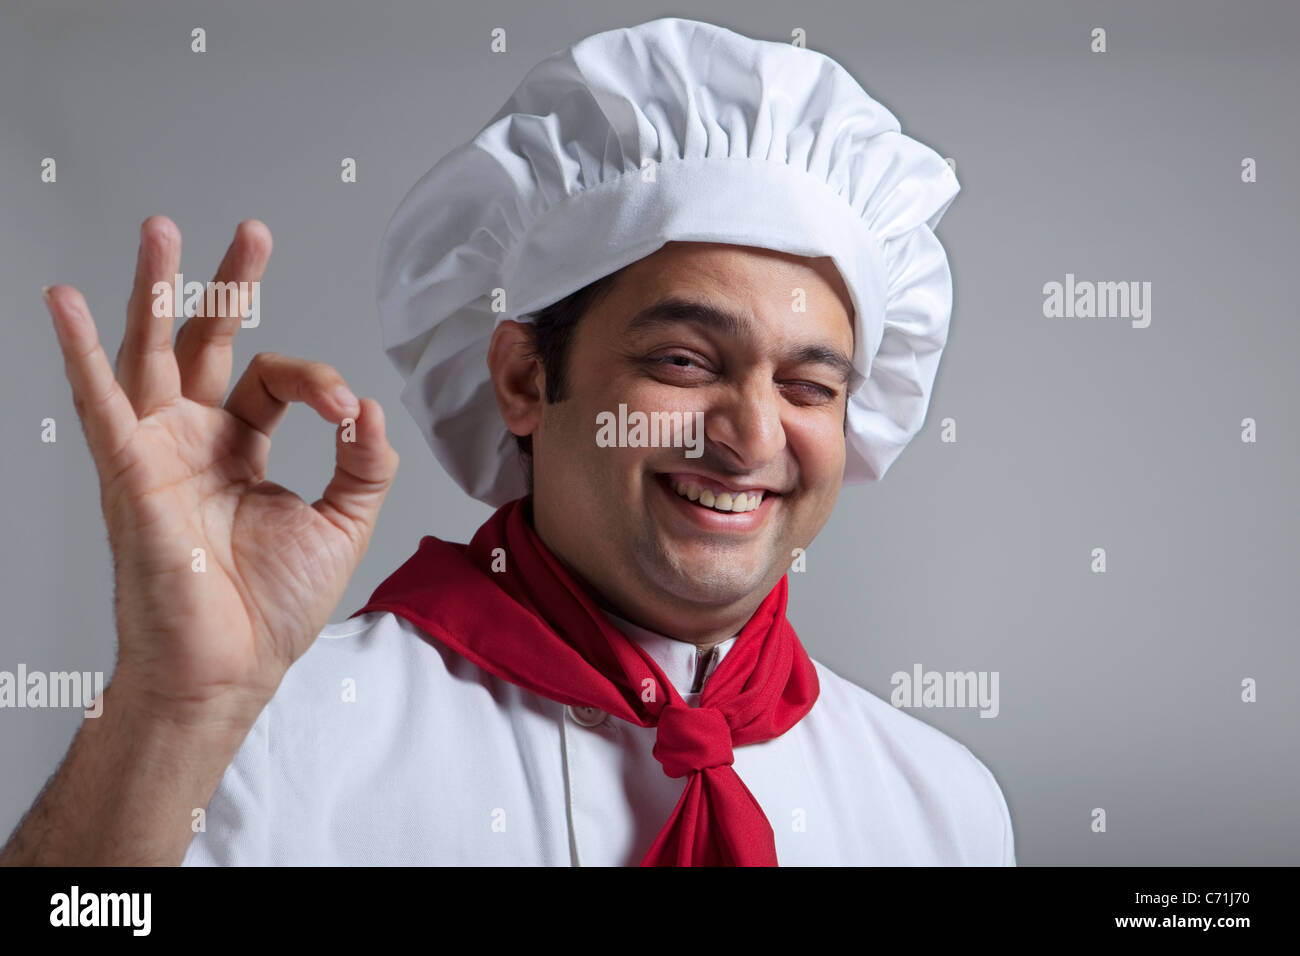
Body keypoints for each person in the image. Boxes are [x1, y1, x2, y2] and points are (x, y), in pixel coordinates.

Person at [2, 17, 1014, 866]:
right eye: (683, 361)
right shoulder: (268, 735)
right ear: (526, 376)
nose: (751, 434)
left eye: (808, 384)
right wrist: (172, 703)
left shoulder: (942, 808)